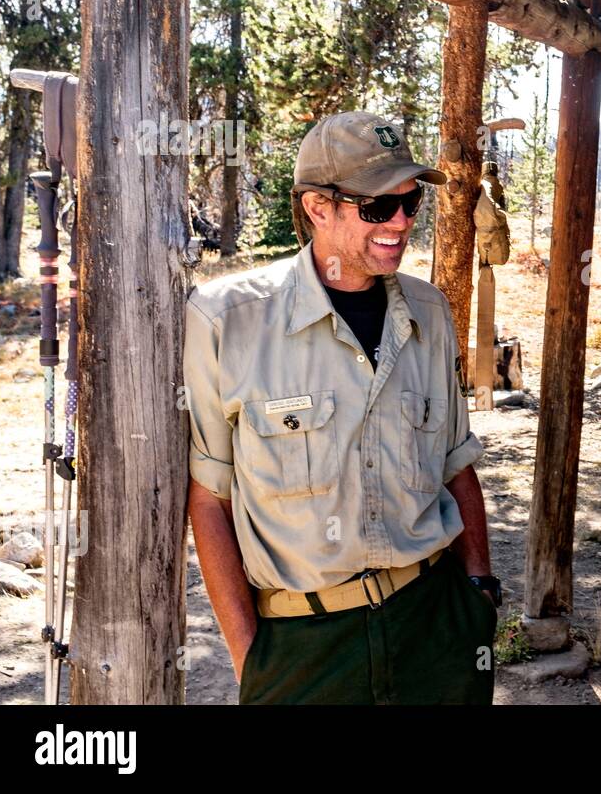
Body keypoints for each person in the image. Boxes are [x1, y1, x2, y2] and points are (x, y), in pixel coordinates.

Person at [183, 111, 499, 704]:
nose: (401, 222)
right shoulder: (227, 322)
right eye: (378, 207)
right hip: (305, 645)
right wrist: (250, 656)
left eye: (411, 204)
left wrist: (479, 592)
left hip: (435, 628)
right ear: (318, 207)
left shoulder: (429, 312)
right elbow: (209, 499)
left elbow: (456, 463)